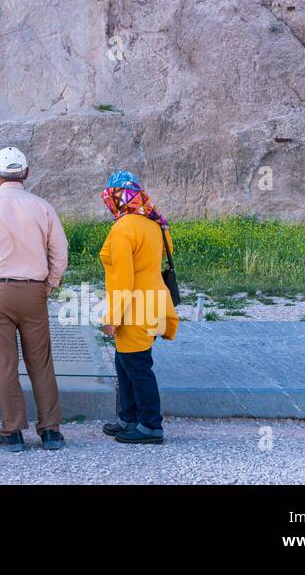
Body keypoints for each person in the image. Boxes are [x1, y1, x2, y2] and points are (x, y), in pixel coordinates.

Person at [0, 146, 69, 452]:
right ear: (26, 174)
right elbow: (60, 253)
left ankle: (13, 430)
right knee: (41, 363)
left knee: (5, 364)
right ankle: (50, 431)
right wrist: (49, 284)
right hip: (34, 290)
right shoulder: (43, 206)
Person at [98, 170, 180, 445]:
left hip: (135, 307)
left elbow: (123, 277)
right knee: (125, 362)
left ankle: (150, 425)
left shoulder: (123, 229)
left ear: (117, 198)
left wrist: (113, 317)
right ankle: (129, 418)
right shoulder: (154, 223)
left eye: (110, 197)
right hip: (155, 301)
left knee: (138, 366)